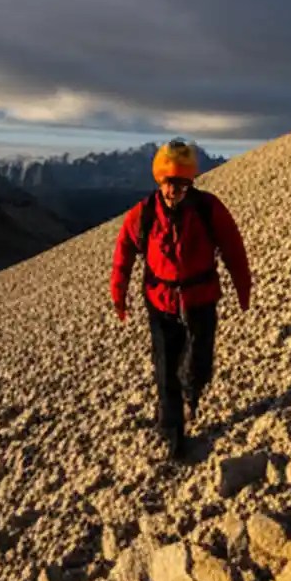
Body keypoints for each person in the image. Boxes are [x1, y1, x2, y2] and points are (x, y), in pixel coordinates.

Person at [110, 139, 252, 460]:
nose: (174, 189)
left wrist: (243, 289)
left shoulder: (208, 209)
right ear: (159, 180)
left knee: (198, 363)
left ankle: (193, 390)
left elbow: (233, 250)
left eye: (181, 183)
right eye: (168, 182)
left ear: (191, 181)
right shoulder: (142, 215)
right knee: (165, 367)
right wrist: (119, 295)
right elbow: (123, 256)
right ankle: (171, 429)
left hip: (201, 299)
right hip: (160, 302)